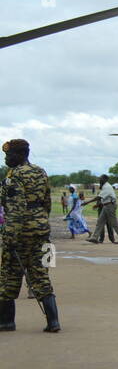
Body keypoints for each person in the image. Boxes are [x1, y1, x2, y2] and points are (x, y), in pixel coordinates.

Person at [0, 139, 59, 332]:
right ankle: (53, 321)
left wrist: (9, 237)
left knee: (8, 276)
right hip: (42, 230)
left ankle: (6, 322)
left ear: (19, 155)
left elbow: (16, 210)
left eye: (9, 155)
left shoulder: (14, 177)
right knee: (41, 274)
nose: (6, 158)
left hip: (21, 233)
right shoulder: (40, 171)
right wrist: (41, 222)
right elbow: (47, 202)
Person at [86, 174, 118, 245]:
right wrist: (97, 205)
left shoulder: (107, 187)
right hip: (106, 206)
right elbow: (103, 198)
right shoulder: (105, 186)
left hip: (110, 206)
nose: (99, 180)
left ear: (105, 179)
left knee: (114, 223)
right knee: (100, 222)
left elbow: (99, 197)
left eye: (100, 179)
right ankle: (95, 238)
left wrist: (87, 202)